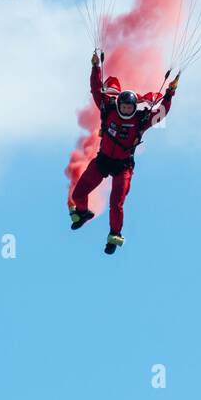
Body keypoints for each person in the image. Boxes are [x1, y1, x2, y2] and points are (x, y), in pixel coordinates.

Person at [68, 50, 178, 253]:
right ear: (118, 104)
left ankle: (114, 236)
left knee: (116, 202)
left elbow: (162, 113)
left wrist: (170, 94)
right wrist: (95, 67)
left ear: (134, 107)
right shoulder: (107, 109)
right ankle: (83, 213)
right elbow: (95, 89)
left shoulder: (140, 121)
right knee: (79, 193)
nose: (126, 110)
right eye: (124, 106)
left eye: (130, 107)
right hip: (103, 161)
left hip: (123, 166)